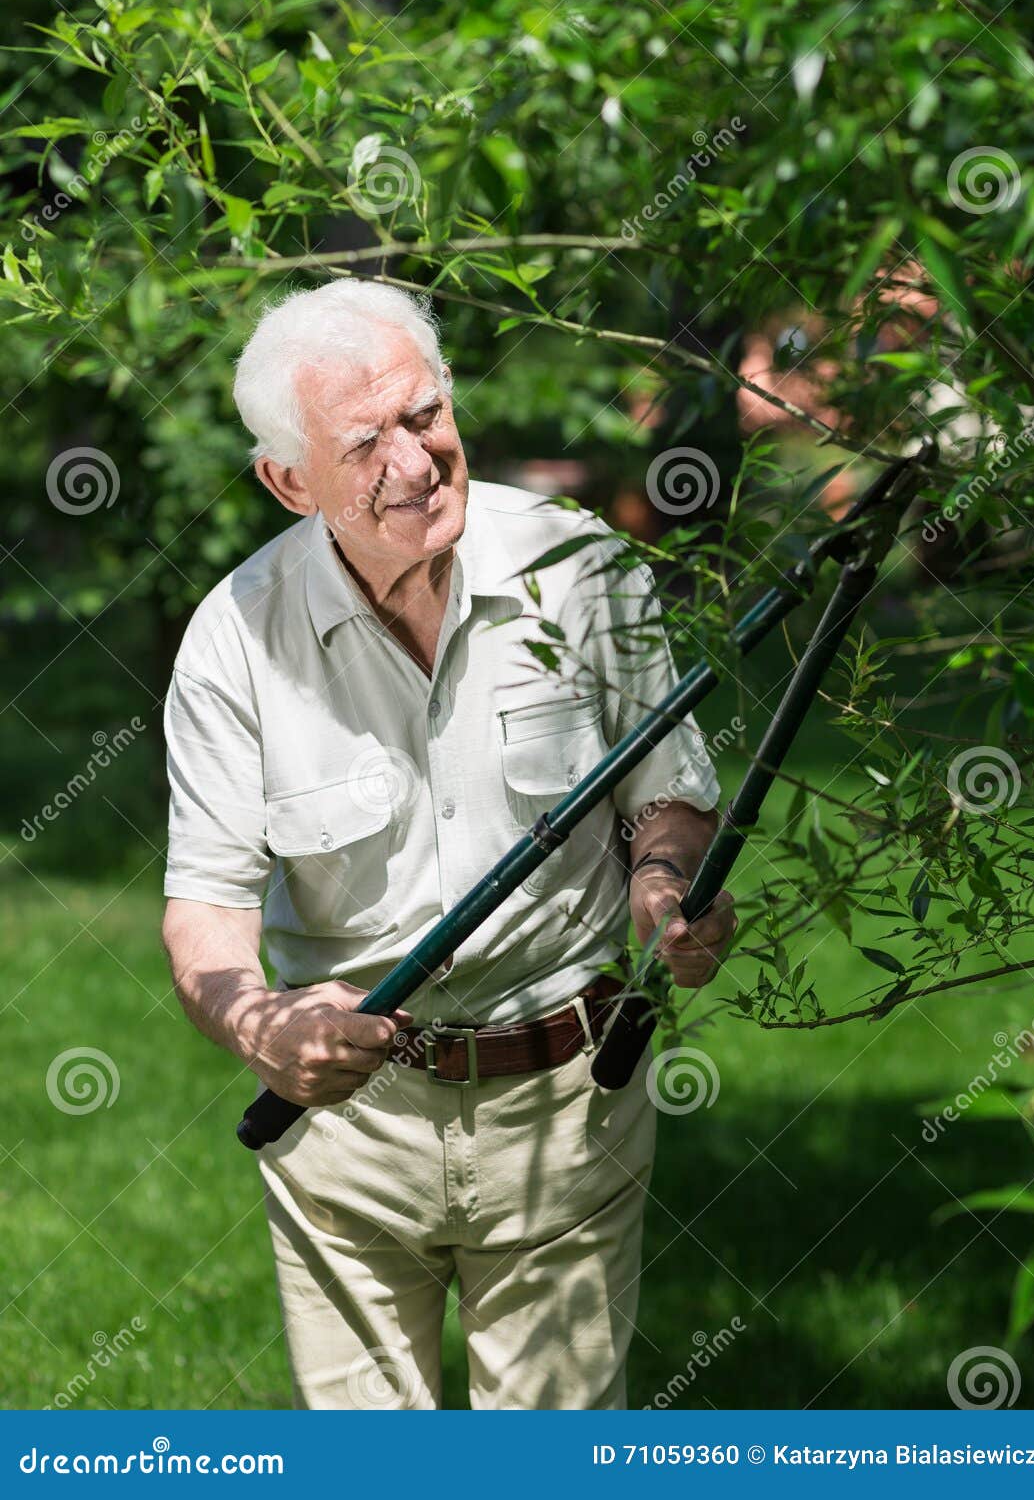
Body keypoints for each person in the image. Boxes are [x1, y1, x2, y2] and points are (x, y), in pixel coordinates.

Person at [160, 277, 737, 1410]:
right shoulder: (232, 641)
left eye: (424, 416)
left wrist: (665, 880)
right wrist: (260, 1024)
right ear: (290, 481)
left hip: (568, 1100)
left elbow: (665, 795)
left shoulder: (580, 568)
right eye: (364, 441)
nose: (416, 463)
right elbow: (205, 911)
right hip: (348, 1133)